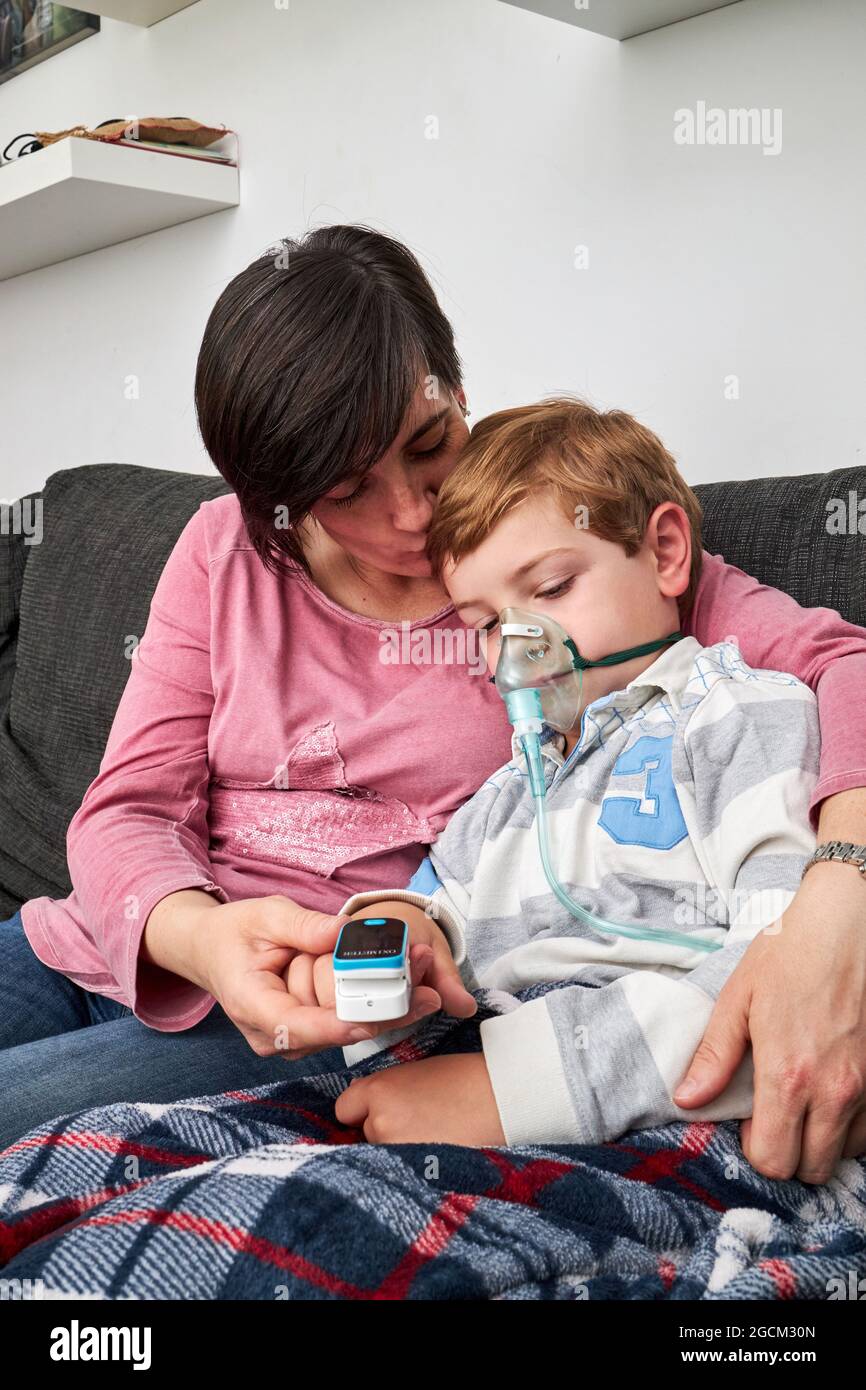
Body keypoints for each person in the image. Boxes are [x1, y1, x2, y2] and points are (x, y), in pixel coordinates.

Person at [1, 227, 865, 1181]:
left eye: (429, 446)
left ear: (457, 387)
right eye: (349, 490)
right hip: (97, 942)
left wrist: (838, 888)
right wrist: (199, 937)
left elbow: (840, 667)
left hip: (316, 1011)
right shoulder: (223, 551)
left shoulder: (554, 555)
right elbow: (127, 810)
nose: (412, 515)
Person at [324, 399, 820, 1149]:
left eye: (552, 590)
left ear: (664, 553)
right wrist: (396, 943)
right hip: (476, 1085)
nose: (520, 647)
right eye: (487, 624)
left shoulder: (735, 720)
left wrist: (508, 1093)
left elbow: (786, 975)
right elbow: (433, 912)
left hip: (651, 1115)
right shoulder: (509, 793)